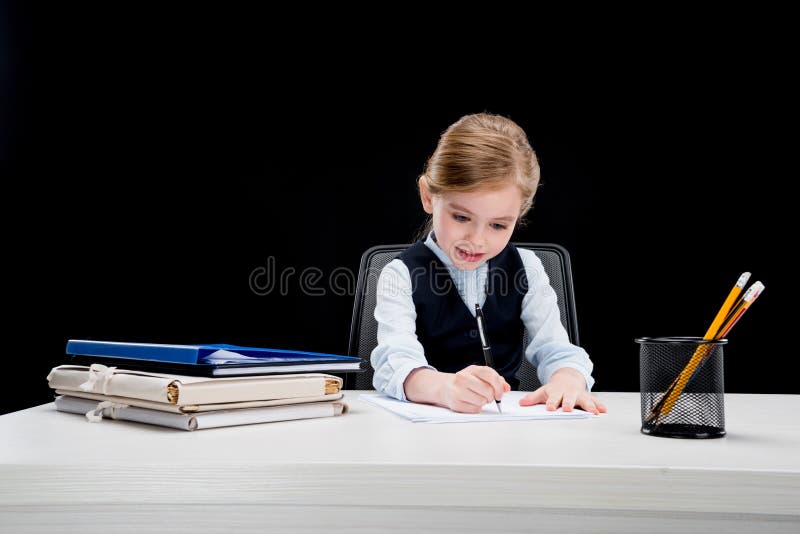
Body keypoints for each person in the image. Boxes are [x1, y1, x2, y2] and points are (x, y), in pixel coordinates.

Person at [370, 112, 606, 415]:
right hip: (424, 431)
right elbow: (394, 361)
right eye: (461, 217)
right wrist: (443, 388)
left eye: (498, 225)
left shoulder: (527, 269)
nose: (477, 240)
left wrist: (568, 379)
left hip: (505, 433)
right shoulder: (399, 274)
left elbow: (558, 351)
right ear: (428, 196)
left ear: (518, 216)